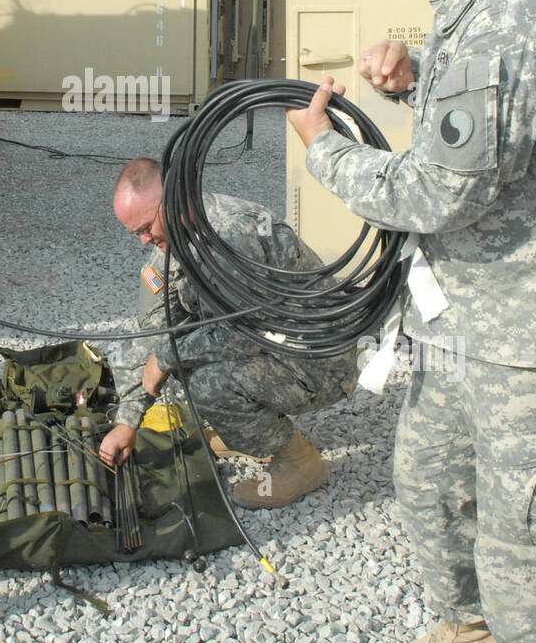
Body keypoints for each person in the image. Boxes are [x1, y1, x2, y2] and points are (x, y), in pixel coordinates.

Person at [286, 0, 536, 643]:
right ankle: (475, 633)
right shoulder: (481, 0)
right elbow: (489, 108)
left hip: (524, 332)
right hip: (461, 315)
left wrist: (326, 154)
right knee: (429, 479)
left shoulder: (513, 17)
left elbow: (440, 190)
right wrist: (416, 74)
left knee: (524, 529)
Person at [98, 158, 358, 508]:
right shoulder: (172, 238)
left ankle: (299, 462)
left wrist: (165, 360)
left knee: (206, 383)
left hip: (319, 358)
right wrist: (127, 420)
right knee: (185, 354)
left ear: (169, 202)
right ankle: (243, 428)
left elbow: (242, 335)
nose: (144, 240)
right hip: (274, 346)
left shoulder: (232, 235)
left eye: (146, 228)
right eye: (136, 234)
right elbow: (152, 329)